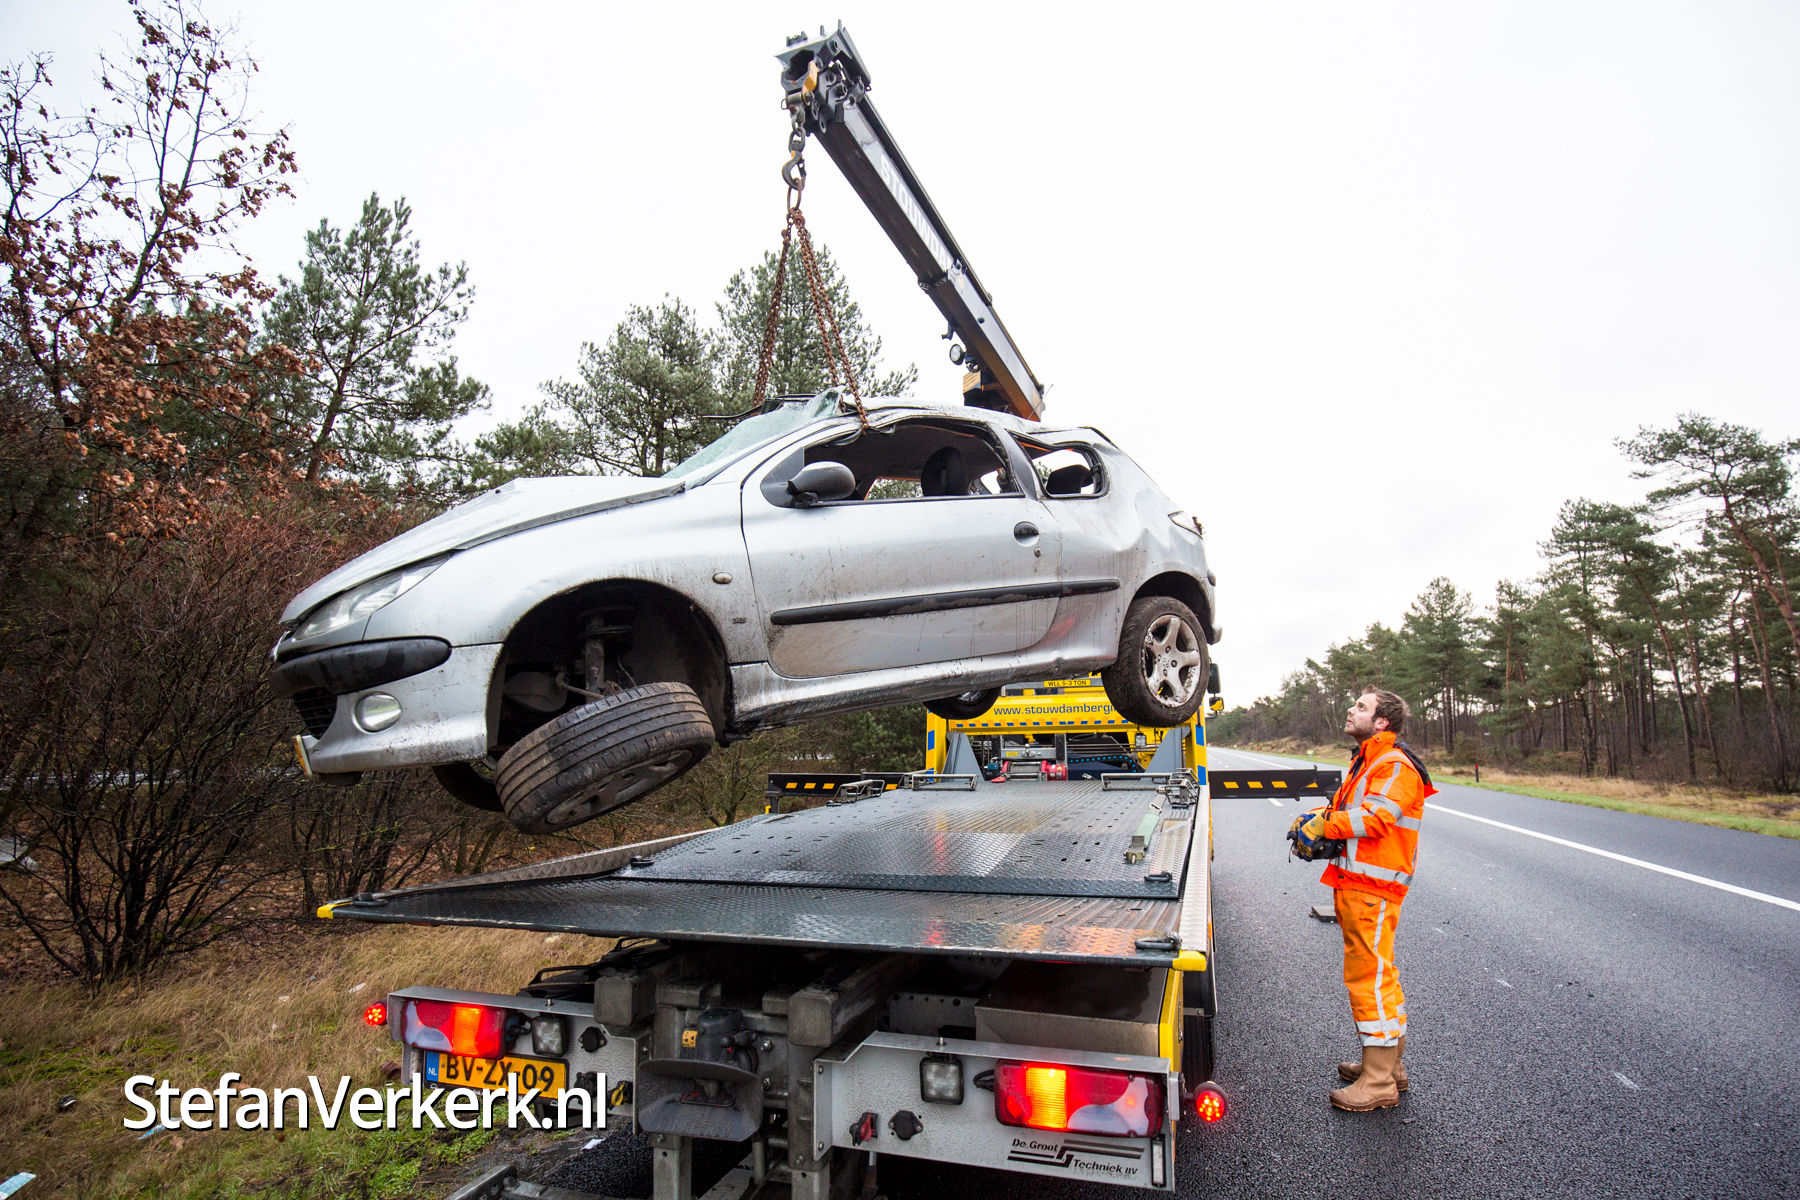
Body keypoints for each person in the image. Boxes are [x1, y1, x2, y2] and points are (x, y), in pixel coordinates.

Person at [1290, 687, 1436, 1111]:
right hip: (1359, 887)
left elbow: (1377, 818)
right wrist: (1323, 818)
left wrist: (1327, 826)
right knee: (1379, 974)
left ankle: (1377, 1083)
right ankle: (1389, 1067)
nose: (1350, 710)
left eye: (1361, 706)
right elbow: (1354, 811)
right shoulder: (1368, 761)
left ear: (1382, 722)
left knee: (1369, 980)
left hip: (1373, 891)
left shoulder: (1394, 764)